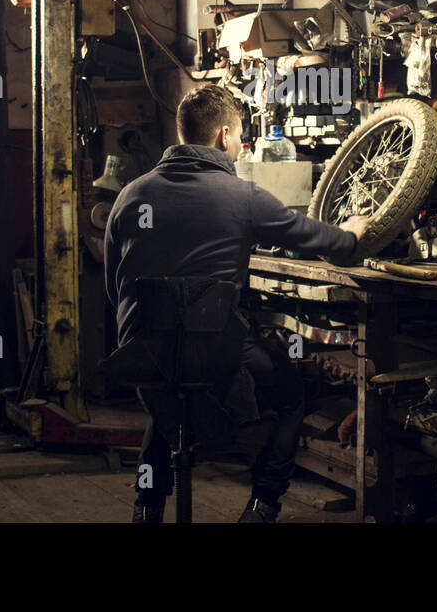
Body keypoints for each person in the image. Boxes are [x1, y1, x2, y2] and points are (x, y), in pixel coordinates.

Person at [105, 84, 368, 523]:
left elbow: (116, 290)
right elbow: (330, 243)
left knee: (166, 395)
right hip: (213, 354)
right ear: (224, 135)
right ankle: (262, 506)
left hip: (140, 353)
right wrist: (355, 230)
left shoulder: (130, 195)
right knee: (290, 396)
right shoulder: (243, 197)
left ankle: (146, 510)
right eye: (241, 135)